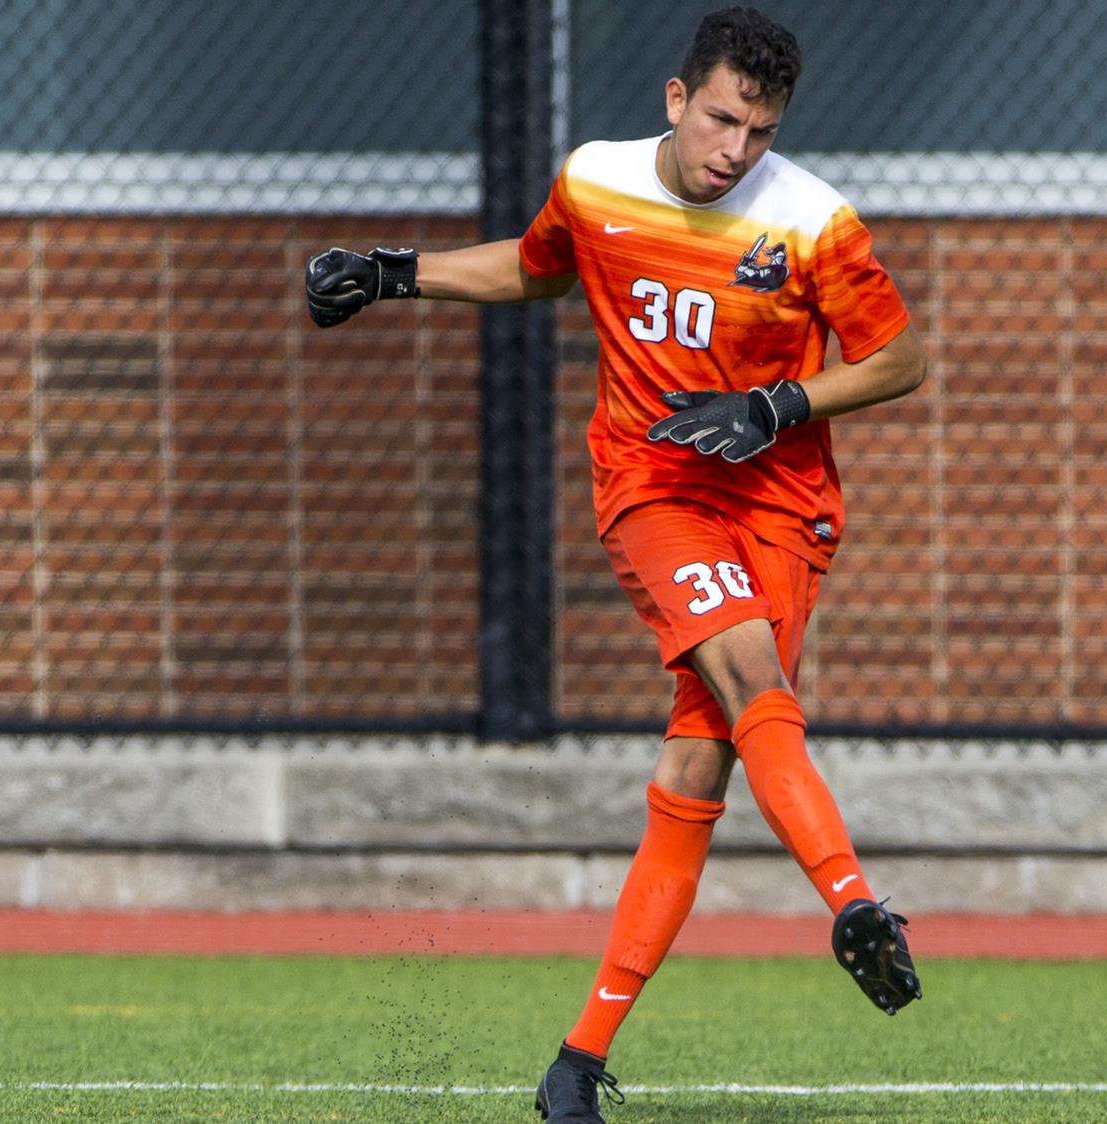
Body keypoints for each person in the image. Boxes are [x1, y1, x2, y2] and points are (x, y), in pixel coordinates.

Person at [304, 8, 924, 1121]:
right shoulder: (594, 180)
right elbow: (538, 270)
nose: (734, 149)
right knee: (752, 684)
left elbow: (899, 358)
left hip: (783, 509)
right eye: (723, 119)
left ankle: (574, 1064)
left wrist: (779, 400)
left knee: (697, 771)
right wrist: (396, 273)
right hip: (655, 490)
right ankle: (851, 901)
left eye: (760, 129)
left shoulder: (812, 218)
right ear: (677, 98)